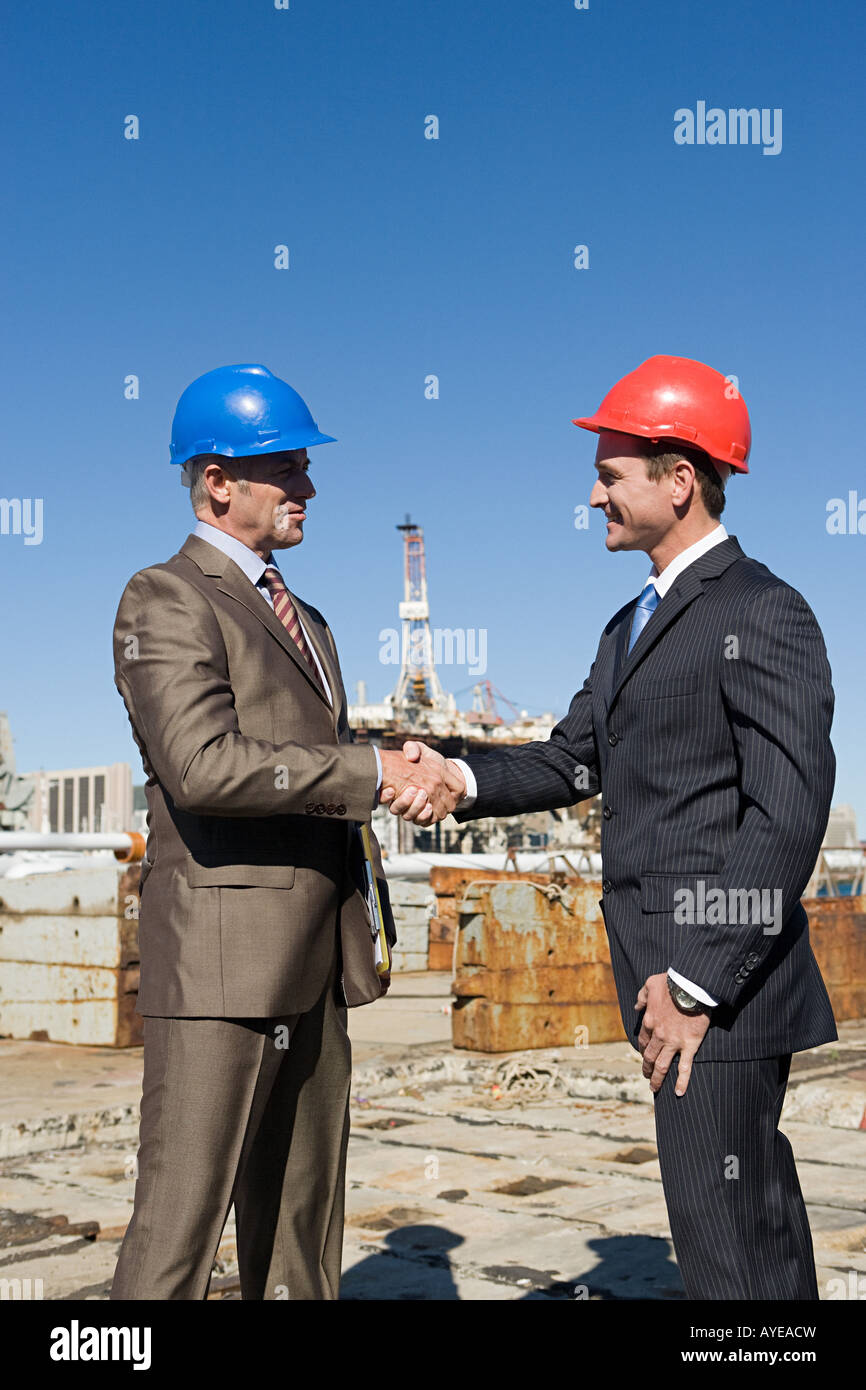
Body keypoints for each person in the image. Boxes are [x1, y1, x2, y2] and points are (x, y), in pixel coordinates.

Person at [383, 355, 837, 1300]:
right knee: (739, 1239)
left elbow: (786, 816)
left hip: (722, 993)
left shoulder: (762, 611)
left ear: (680, 481)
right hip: (674, 983)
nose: (592, 494)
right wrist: (457, 773)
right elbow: (567, 761)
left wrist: (699, 979)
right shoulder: (629, 626)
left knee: (734, 1249)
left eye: (611, 472)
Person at [111, 363, 455, 1300]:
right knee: (179, 1233)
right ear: (218, 480)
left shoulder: (314, 622)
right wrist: (371, 771)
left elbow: (315, 758)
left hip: (316, 967)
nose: (309, 487)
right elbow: (202, 764)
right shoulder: (165, 598)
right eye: (288, 469)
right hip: (221, 969)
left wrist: (404, 764)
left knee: (304, 1232)